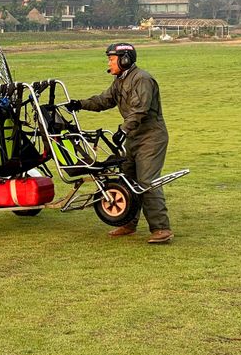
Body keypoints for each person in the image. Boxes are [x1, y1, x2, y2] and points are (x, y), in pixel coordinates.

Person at [66, 43, 174, 244]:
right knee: (126, 179)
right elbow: (104, 101)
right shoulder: (119, 81)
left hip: (150, 137)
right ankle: (128, 223)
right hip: (132, 137)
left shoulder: (142, 79)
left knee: (146, 181)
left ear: (125, 59)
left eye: (111, 58)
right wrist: (79, 104)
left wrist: (123, 130)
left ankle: (161, 228)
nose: (109, 62)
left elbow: (140, 110)